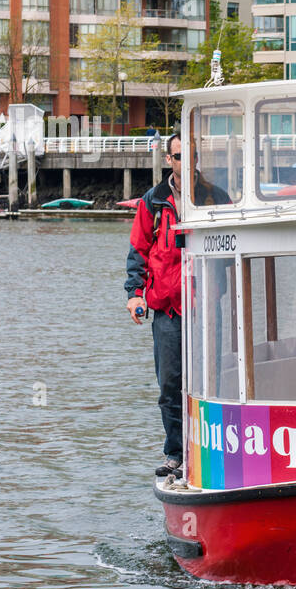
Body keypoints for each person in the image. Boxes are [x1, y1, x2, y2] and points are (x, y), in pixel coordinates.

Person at [125, 132, 228, 478]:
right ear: (169, 160)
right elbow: (138, 250)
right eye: (179, 156)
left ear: (198, 160)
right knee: (170, 384)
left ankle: (213, 448)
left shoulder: (217, 198)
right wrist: (134, 294)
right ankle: (177, 453)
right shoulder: (153, 201)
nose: (185, 162)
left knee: (211, 380)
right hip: (166, 310)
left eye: (190, 156)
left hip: (204, 307)